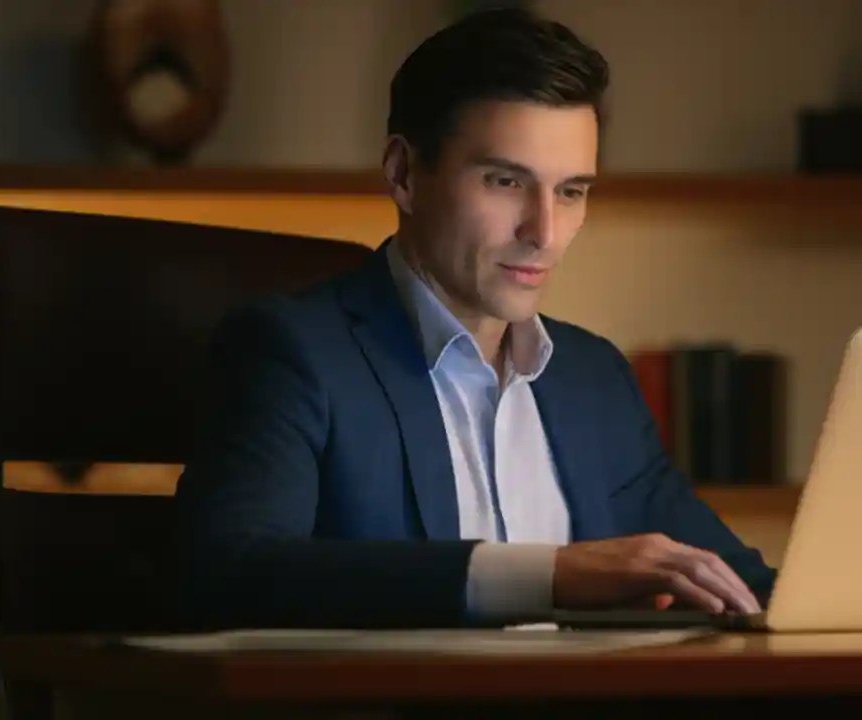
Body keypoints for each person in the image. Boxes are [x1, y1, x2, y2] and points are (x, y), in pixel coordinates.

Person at [175, 7, 776, 629]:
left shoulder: (595, 378)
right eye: (505, 181)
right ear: (404, 174)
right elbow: (231, 571)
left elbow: (735, 580)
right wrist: (552, 574)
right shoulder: (293, 352)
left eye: (571, 191)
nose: (543, 232)